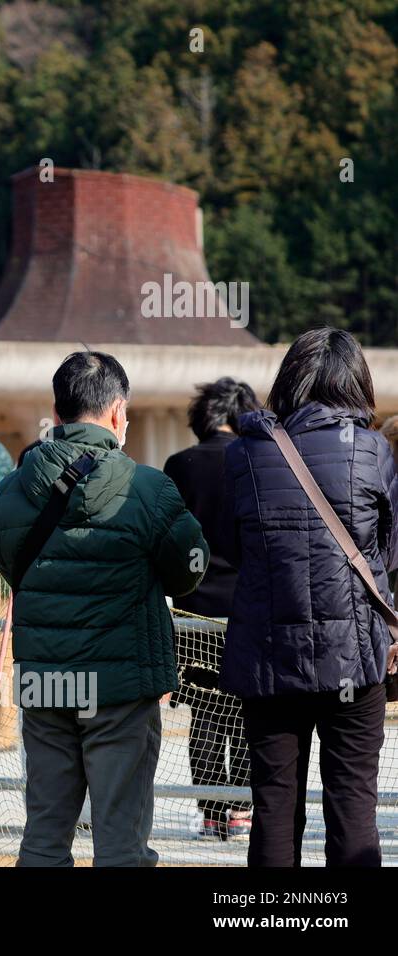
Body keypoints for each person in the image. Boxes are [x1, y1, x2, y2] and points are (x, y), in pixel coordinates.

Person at [0, 350, 207, 867]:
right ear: (117, 413)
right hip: (121, 685)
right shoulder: (150, 489)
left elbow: (6, 562)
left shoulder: (13, 489)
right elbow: (189, 571)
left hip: (45, 680)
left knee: (44, 834)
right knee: (121, 840)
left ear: (57, 414)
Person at [221, 328, 398, 867]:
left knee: (274, 802)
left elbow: (235, 546)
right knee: (352, 802)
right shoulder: (373, 451)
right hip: (356, 656)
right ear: (356, 384)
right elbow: (387, 552)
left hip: (268, 658)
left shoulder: (244, 454)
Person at [164, 378, 259, 841]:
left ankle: (211, 812)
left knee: (203, 713)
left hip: (191, 611)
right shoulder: (254, 461)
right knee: (244, 709)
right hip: (245, 610)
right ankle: (241, 810)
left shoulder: (178, 465)